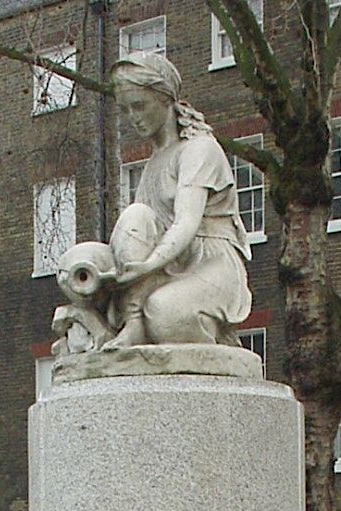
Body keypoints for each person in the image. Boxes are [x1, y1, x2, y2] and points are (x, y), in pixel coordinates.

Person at [102, 51, 253, 349]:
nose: (134, 117)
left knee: (165, 314)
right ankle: (134, 324)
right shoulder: (152, 163)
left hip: (209, 260)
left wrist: (147, 266)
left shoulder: (200, 149)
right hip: (168, 264)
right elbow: (140, 231)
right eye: (126, 109)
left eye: (140, 106)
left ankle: (217, 351)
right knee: (135, 215)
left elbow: (186, 223)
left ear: (166, 99)